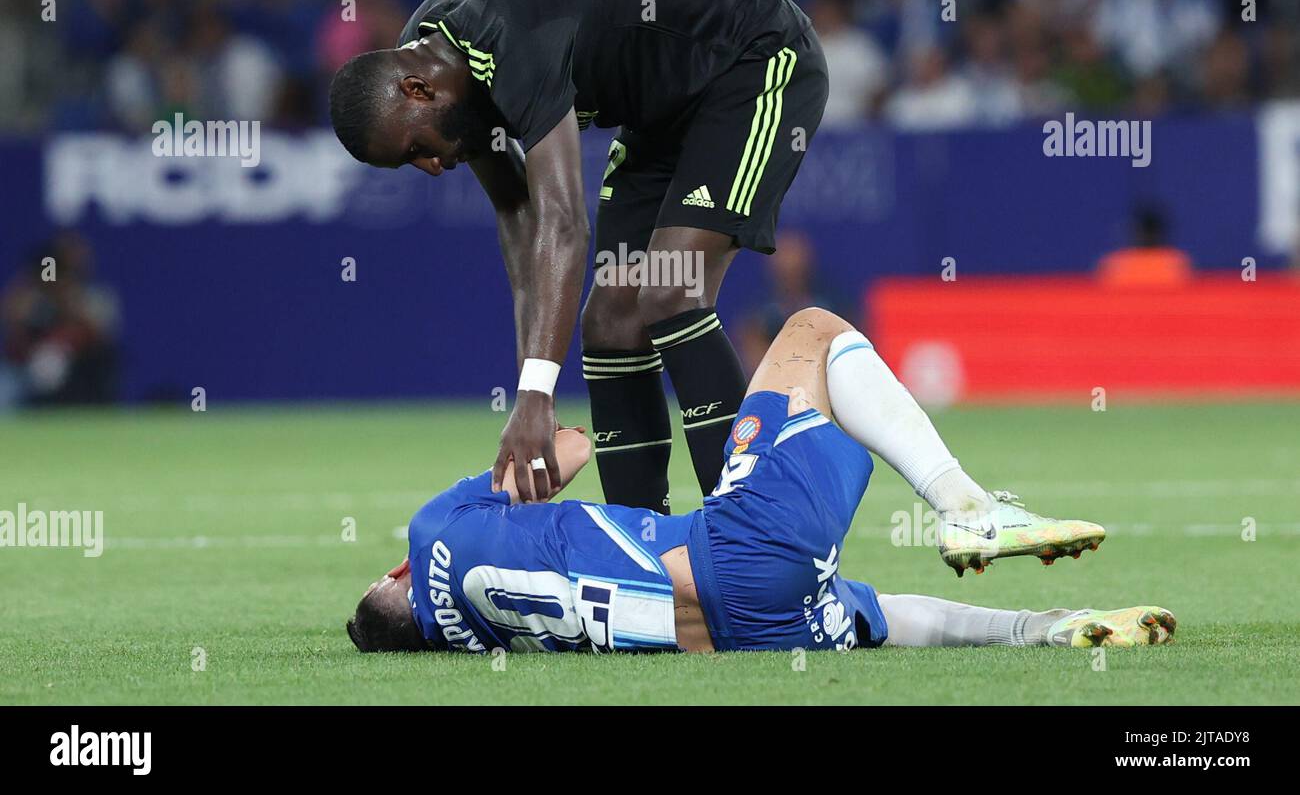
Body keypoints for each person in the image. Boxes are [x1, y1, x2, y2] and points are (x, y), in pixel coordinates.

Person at [328, 0, 830, 514]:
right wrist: (528, 390)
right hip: (662, 109)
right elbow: (520, 212)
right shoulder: (439, 50)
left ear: (417, 89)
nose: (434, 167)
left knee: (670, 290)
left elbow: (563, 221)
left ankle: (754, 531)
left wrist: (538, 395)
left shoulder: (509, 36)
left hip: (754, 61)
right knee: (611, 321)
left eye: (419, 147)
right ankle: (641, 547)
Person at [348, 308, 1173, 654]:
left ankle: (1043, 628)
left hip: (745, 631)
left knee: (871, 608)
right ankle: (969, 507)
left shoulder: (477, 638)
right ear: (396, 573)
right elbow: (567, 446)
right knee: (817, 336)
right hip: (730, 549)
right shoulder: (433, 531)